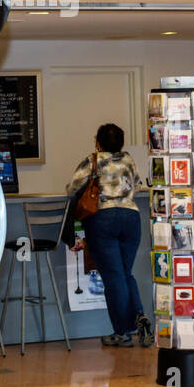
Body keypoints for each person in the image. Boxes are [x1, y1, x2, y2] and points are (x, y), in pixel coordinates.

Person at [66, 123, 150, 347]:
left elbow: (72, 188)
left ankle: (122, 332)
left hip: (103, 219)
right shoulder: (129, 159)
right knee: (125, 274)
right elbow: (139, 186)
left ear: (99, 142)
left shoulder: (93, 160)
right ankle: (140, 316)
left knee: (114, 278)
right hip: (131, 218)